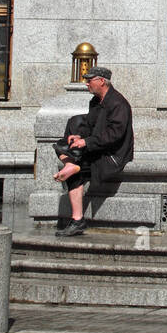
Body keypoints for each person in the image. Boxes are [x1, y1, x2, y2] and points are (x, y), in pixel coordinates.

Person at [53, 66, 133, 236]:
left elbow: (114, 135)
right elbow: (90, 125)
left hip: (112, 155)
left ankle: (77, 220)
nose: (87, 84)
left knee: (77, 172)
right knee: (61, 145)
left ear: (102, 81)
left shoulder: (118, 104)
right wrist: (78, 136)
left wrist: (86, 142)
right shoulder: (96, 102)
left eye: (90, 80)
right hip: (97, 149)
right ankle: (70, 165)